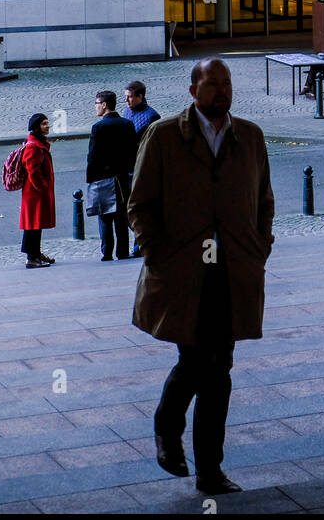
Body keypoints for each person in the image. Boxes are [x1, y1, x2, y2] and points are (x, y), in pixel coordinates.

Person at [127, 57, 274, 495]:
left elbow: (264, 199)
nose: (222, 91)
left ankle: (210, 470)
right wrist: (157, 254)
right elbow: (140, 204)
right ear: (193, 90)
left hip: (233, 270)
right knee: (195, 360)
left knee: (220, 367)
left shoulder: (249, 136)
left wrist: (259, 247)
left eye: (226, 83)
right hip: (184, 272)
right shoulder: (165, 135)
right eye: (212, 84)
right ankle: (168, 427)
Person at [87, 90, 138, 261]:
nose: (95, 107)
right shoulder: (127, 124)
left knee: (105, 217)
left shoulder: (98, 127)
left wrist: (91, 179)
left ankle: (107, 252)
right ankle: (122, 251)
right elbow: (133, 152)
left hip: (103, 177)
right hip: (122, 176)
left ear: (104, 105)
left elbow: (92, 157)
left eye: (96, 103)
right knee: (121, 216)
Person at [122, 82, 160, 256]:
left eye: (130, 96)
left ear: (140, 97)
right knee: (128, 209)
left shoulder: (151, 116)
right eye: (125, 96)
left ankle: (140, 244)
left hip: (142, 167)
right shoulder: (127, 111)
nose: (126, 100)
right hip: (127, 166)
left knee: (140, 207)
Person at [19, 113, 56, 269]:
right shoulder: (33, 146)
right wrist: (42, 187)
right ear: (36, 127)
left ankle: (35, 253)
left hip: (35, 192)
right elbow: (32, 170)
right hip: (34, 193)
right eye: (44, 124)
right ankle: (32, 257)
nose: (47, 126)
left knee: (36, 224)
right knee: (33, 225)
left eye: (47, 123)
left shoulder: (38, 143)